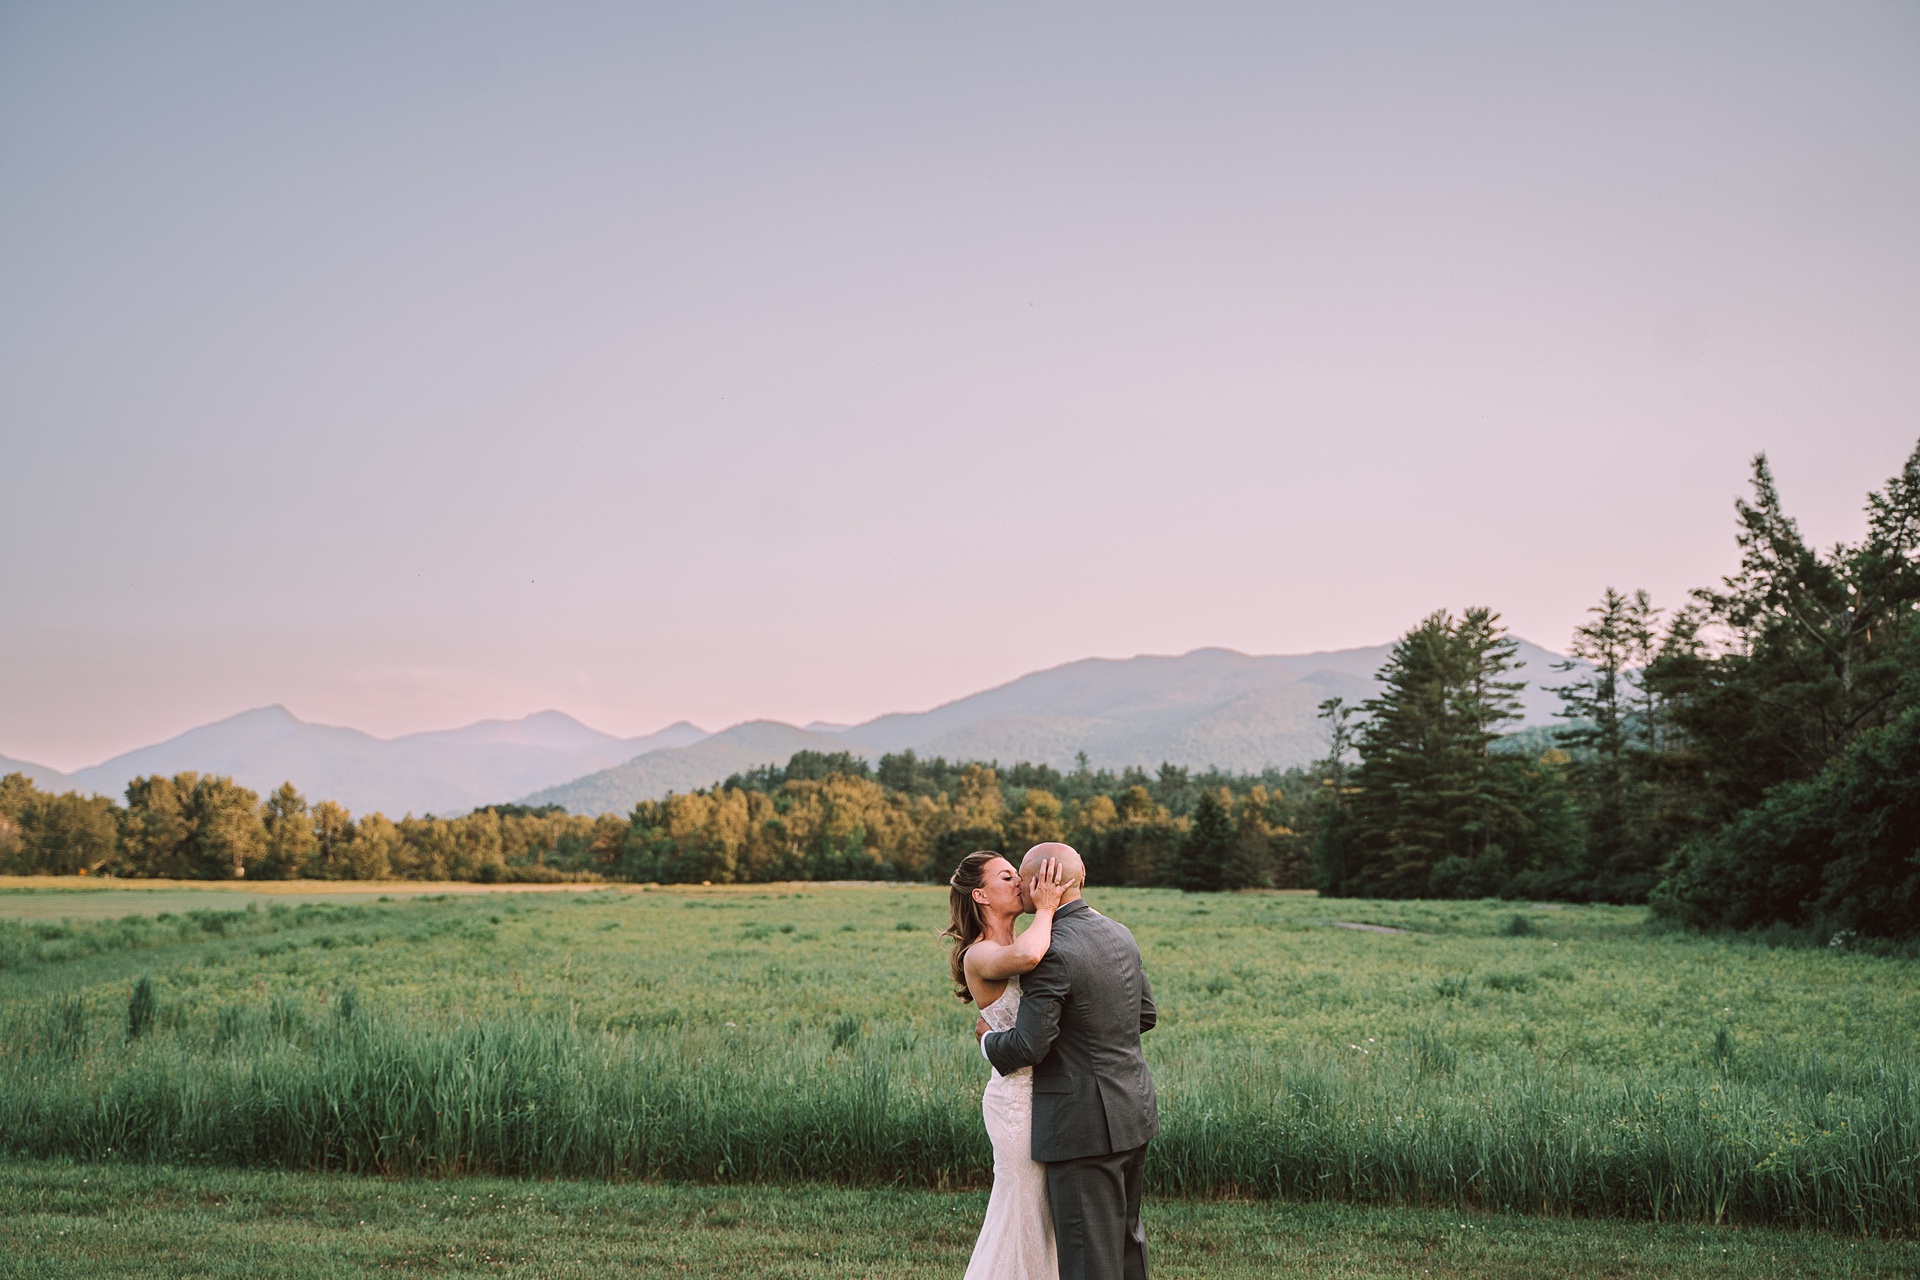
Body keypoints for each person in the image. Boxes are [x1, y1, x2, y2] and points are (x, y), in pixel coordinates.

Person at [961, 842, 1161, 1280]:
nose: (1017, 884)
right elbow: (1144, 1015)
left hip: (1080, 1123)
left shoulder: (1049, 950)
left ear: (1042, 884)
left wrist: (988, 1040)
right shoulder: (1119, 932)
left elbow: (1030, 1047)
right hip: (1133, 1110)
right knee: (1127, 1245)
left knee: (1088, 1258)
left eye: (1020, 877)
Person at [945, 849, 1069, 1280]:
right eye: (1006, 877)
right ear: (980, 895)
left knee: (1045, 1219)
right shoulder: (978, 955)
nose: (1019, 882)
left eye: (1017, 874)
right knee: (1021, 1214)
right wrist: (1049, 906)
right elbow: (1030, 957)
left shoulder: (1018, 939)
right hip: (1016, 1102)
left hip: (1050, 1094)